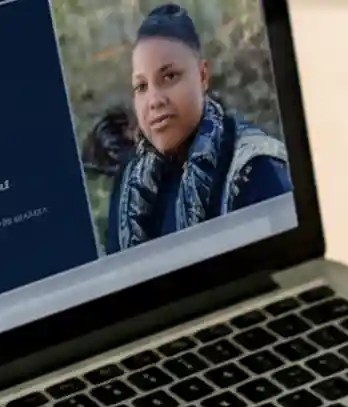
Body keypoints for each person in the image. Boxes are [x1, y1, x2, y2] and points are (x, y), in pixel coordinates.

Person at [103, 3, 292, 255]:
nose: (155, 100)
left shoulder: (256, 170)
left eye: (169, 77)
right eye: (142, 86)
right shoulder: (129, 185)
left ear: (203, 76)